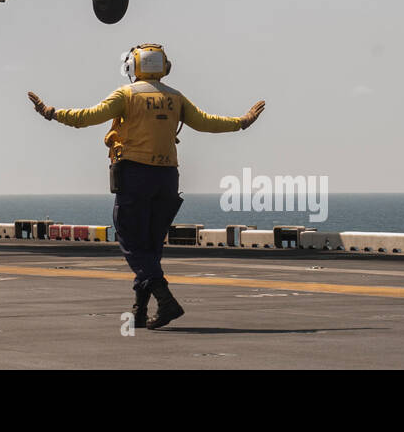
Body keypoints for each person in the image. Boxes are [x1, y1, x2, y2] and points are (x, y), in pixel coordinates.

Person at [28, 44, 265, 329]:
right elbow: (206, 123)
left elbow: (88, 117)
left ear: (132, 67)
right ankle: (140, 311)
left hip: (134, 175)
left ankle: (166, 300)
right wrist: (242, 122)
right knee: (151, 245)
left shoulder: (126, 95)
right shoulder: (175, 98)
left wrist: (51, 112)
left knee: (131, 241)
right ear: (164, 67)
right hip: (167, 176)